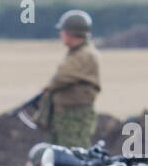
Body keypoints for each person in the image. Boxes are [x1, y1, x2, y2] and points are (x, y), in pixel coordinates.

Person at [36, 10, 100, 148]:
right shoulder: (77, 53)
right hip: (66, 115)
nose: (61, 34)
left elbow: (62, 77)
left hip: (74, 116)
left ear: (72, 33)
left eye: (63, 31)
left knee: (73, 152)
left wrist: (49, 87)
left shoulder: (84, 54)